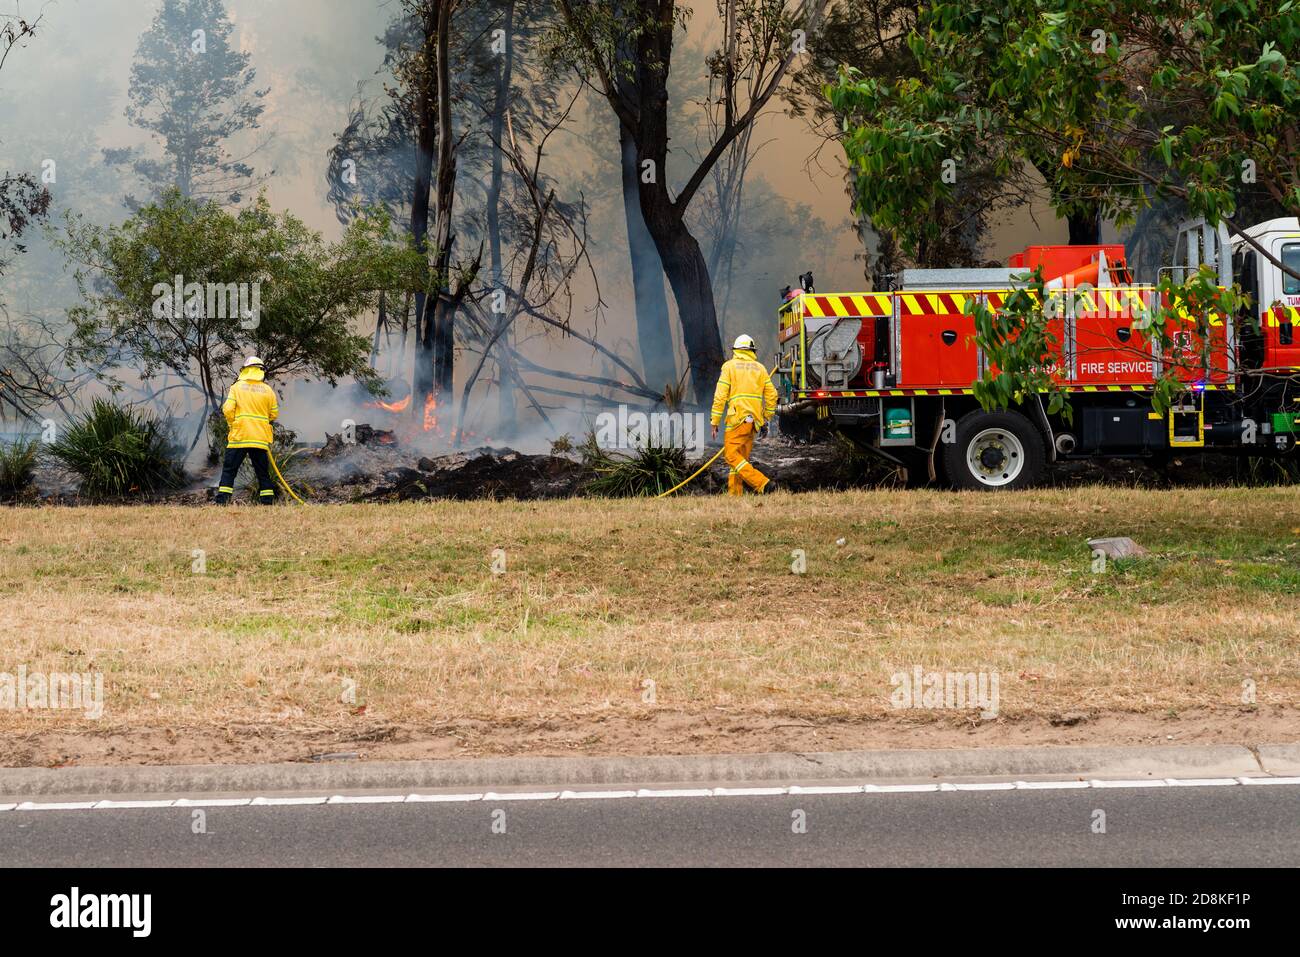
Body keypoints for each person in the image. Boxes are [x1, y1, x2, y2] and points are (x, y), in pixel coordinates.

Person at [710, 334, 779, 495]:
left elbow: (720, 396)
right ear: (752, 350)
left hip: (736, 420)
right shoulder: (760, 368)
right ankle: (735, 494)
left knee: (731, 456)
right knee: (740, 460)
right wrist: (766, 417)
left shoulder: (729, 367)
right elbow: (772, 395)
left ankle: (763, 483)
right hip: (753, 421)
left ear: (736, 350)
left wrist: (715, 421)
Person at [214, 356, 279, 505]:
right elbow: (274, 414)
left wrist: (233, 424)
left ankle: (222, 502)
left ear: (245, 370)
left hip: (240, 436)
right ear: (261, 371)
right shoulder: (268, 390)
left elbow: (228, 409)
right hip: (259, 439)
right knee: (262, 473)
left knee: (230, 470)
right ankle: (267, 502)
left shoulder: (237, 387)